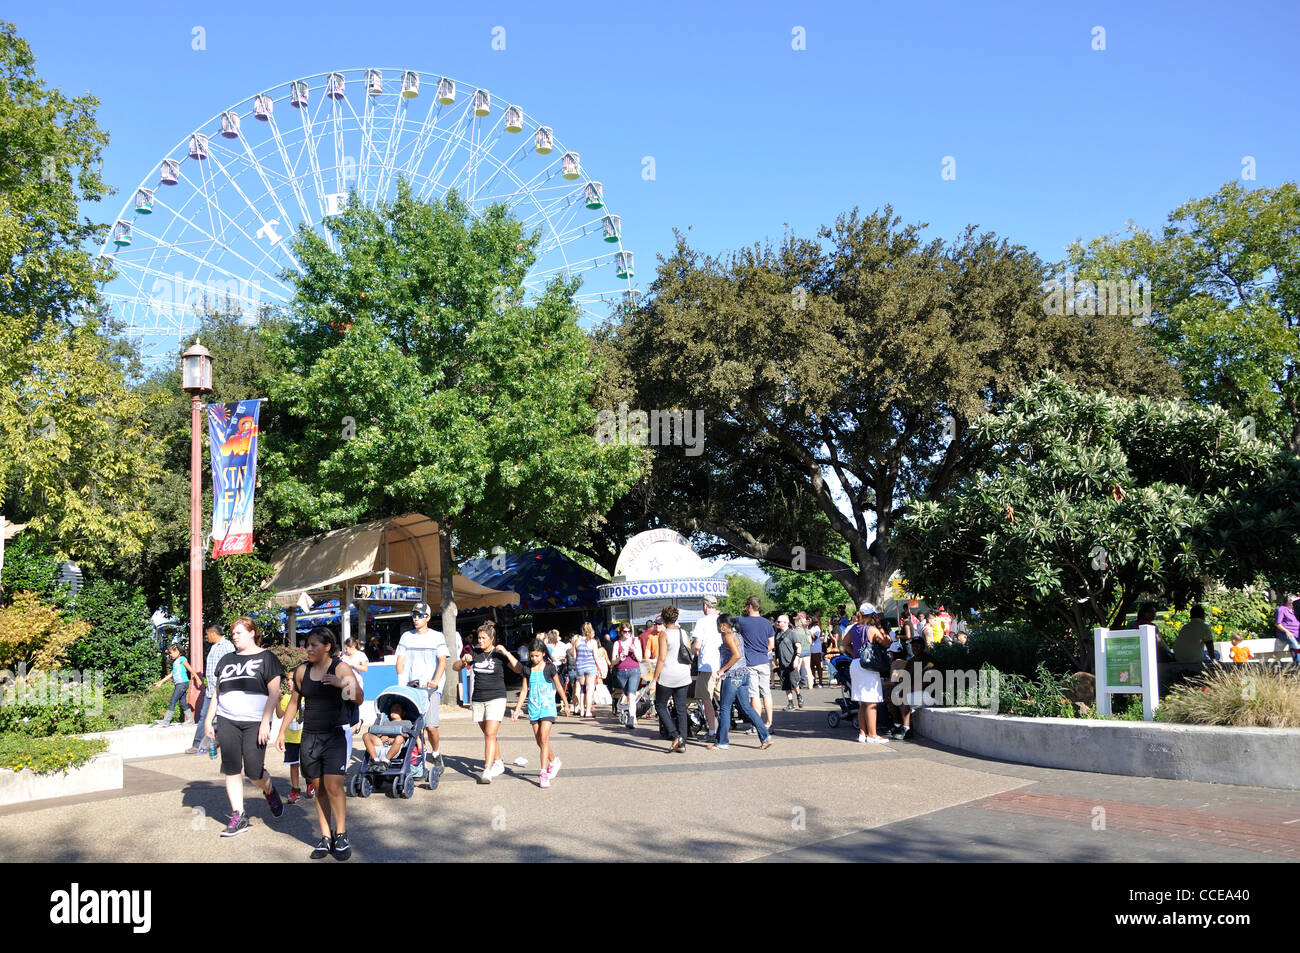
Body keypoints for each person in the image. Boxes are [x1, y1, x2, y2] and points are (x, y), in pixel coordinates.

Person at [276, 626, 362, 861]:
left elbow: (358, 697)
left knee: (334, 786)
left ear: (327, 647)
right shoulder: (302, 671)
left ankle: (341, 834)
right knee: (319, 788)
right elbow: (294, 703)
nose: (308, 649)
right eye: (307, 644)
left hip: (334, 735)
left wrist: (340, 683)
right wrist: (282, 732)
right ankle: (326, 837)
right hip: (310, 737)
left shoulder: (340, 667)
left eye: (314, 645)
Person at [202, 617, 285, 837]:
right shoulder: (227, 660)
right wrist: (209, 720)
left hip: (255, 722)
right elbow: (217, 693)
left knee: (254, 772)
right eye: (233, 633)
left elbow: (274, 691)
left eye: (239, 632)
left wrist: (266, 721)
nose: (234, 636)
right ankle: (239, 816)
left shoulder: (267, 658)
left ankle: (269, 790)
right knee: (231, 768)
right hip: (227, 720)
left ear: (251, 633)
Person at [453, 623, 521, 783]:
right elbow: (455, 667)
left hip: (496, 697)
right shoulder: (475, 653)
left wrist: (506, 652)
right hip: (478, 699)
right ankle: (498, 762)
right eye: (479, 638)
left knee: (490, 734)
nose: (480, 641)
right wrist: (463, 661)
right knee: (489, 734)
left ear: (492, 639)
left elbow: (518, 669)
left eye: (484, 638)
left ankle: (487, 770)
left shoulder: (499, 655)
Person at [394, 603, 449, 774]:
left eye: (419, 615)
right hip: (412, 687)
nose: (415, 618)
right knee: (414, 725)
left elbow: (442, 661)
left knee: (431, 726)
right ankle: (419, 752)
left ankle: (436, 753)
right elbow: (400, 662)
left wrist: (435, 680)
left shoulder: (437, 636)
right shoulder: (406, 637)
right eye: (414, 615)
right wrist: (401, 680)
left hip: (431, 688)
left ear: (428, 618)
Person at [706, 614, 772, 751]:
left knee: (724, 709)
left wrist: (722, 670)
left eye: (719, 625)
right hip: (744, 674)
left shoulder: (728, 636)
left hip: (733, 676)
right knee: (746, 708)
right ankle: (765, 736)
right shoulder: (737, 634)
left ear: (724, 625)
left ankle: (722, 742)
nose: (717, 628)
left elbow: (737, 655)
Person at [511, 639, 570, 788]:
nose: (534, 659)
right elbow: (524, 690)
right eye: (532, 656)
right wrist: (518, 709)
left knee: (544, 738)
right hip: (533, 708)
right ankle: (554, 761)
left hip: (548, 707)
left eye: (537, 656)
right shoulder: (527, 669)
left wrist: (566, 703)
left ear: (543, 654)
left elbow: (559, 686)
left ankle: (543, 773)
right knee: (539, 741)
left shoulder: (550, 668)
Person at [652, 605, 694, 753]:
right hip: (683, 675)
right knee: (681, 709)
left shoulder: (664, 634)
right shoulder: (684, 633)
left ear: (663, 619)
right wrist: (687, 670)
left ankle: (675, 735)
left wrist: (654, 679)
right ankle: (682, 743)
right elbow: (690, 655)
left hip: (667, 676)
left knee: (660, 706)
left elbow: (662, 658)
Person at [187, 625, 234, 753]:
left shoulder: (227, 646)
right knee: (204, 717)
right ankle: (197, 745)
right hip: (211, 691)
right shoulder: (214, 647)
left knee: (224, 718)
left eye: (207, 634)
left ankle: (225, 744)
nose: (206, 637)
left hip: (223, 690)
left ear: (213, 633)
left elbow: (229, 667)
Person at [735, 596, 775, 729]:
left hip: (750, 662)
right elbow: (771, 645)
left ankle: (757, 724)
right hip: (764, 660)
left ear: (750, 607)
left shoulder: (743, 621)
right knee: (766, 692)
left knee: (754, 694)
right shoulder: (767, 623)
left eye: (746, 605)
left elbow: (727, 620)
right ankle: (769, 722)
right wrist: (762, 651)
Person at [850, 621, 891, 744]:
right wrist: (882, 629)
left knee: (863, 702)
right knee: (872, 702)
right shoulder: (872, 629)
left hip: (856, 663)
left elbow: (845, 643)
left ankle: (862, 733)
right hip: (868, 665)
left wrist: (855, 654)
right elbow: (886, 643)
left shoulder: (854, 628)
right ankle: (873, 735)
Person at [691, 595, 722, 740]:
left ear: (705, 605)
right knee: (722, 698)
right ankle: (724, 728)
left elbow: (697, 645)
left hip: (707, 666)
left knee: (706, 698)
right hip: (722, 665)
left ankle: (712, 732)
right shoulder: (722, 619)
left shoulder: (702, 621)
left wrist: (693, 650)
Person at [610, 623, 643, 729]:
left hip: (634, 670)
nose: (627, 633)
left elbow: (640, 659)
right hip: (621, 673)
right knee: (628, 695)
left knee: (631, 695)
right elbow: (613, 661)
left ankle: (632, 718)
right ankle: (633, 716)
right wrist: (620, 657)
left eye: (629, 631)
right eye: (625, 631)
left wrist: (634, 650)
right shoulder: (617, 643)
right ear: (621, 632)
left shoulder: (635, 641)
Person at [155, 643, 196, 725]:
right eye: (169, 653)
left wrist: (196, 677)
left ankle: (166, 721)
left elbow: (189, 668)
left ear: (178, 651)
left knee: (173, 700)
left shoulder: (182, 659)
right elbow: (171, 674)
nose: (170, 655)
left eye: (172, 652)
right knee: (183, 703)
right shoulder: (175, 662)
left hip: (182, 683)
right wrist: (161, 682)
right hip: (179, 684)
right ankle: (191, 720)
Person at [363, 701, 410, 767]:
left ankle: (386, 761)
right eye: (392, 709)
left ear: (403, 713)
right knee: (366, 735)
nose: (394, 710)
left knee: (399, 738)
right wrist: (382, 736)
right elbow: (379, 733)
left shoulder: (406, 723)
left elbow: (409, 734)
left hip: (395, 748)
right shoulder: (386, 723)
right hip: (382, 745)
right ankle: (375, 760)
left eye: (397, 709)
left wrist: (392, 739)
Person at [279, 687, 305, 803]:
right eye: (288, 680)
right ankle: (295, 790)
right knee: (294, 765)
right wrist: (276, 700)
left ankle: (310, 784)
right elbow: (280, 714)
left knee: (308, 764)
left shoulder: (306, 696)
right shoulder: (285, 698)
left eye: (292, 680)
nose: (289, 683)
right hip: (290, 738)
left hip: (305, 737)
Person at [569, 623, 601, 718]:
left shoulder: (577, 641)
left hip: (580, 667)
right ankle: (588, 712)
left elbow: (575, 656)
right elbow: (596, 656)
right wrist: (599, 667)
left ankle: (581, 710)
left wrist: (578, 664)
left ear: (582, 630)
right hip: (590, 667)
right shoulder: (593, 642)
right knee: (589, 689)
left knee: (582, 688)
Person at [775, 614, 803, 712]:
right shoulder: (777, 634)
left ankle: (799, 695)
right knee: (786, 685)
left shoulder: (792, 633)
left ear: (786, 622)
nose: (777, 623)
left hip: (791, 663)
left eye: (779, 622)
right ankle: (790, 703)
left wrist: (796, 658)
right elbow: (777, 648)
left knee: (794, 682)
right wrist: (776, 659)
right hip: (782, 664)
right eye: (777, 622)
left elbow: (799, 646)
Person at [1275, 594, 1300, 664]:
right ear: (1290, 602)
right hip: (1285, 632)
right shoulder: (1281, 609)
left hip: (1297, 632)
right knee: (1294, 643)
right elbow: (1278, 624)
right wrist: (1286, 631)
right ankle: (1298, 663)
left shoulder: (1295, 610)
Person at [794, 611, 814, 694]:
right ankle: (810, 685)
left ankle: (796, 684)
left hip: (799, 651)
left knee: (797, 668)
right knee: (807, 668)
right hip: (807, 650)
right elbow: (810, 641)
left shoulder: (794, 631)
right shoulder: (807, 631)